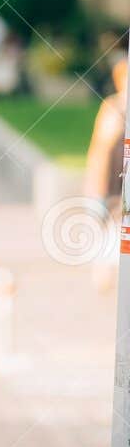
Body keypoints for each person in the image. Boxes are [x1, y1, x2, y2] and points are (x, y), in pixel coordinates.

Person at [83, 55, 127, 293]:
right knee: (107, 232)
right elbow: (103, 149)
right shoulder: (113, 108)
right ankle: (104, 276)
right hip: (109, 182)